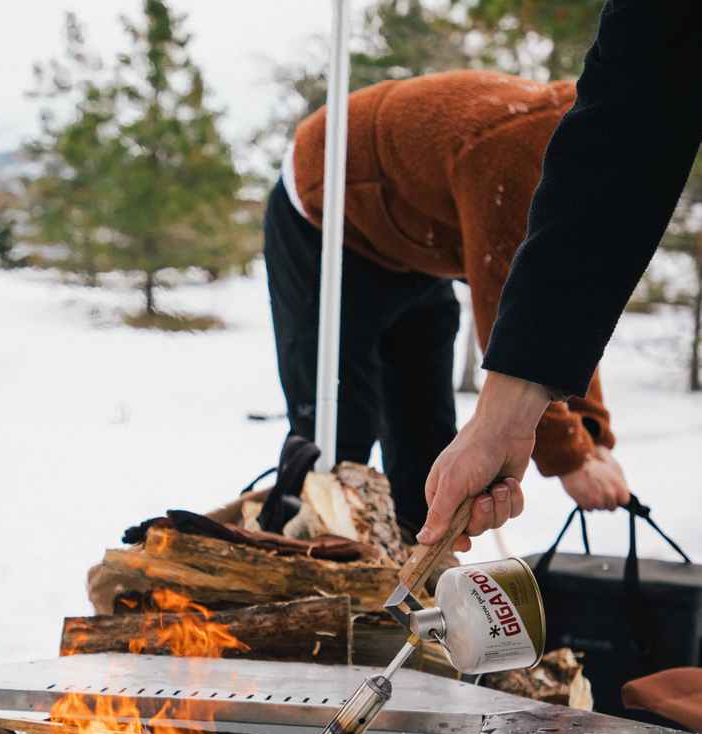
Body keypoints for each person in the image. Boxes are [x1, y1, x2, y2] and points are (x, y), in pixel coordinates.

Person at [266, 69, 630, 534]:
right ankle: (307, 575)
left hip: (416, 233)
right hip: (329, 213)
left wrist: (592, 433)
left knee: (428, 440)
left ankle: (412, 583)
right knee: (339, 433)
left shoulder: (599, 166)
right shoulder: (520, 153)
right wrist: (568, 457)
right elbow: (519, 321)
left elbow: (563, 304)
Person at [420, 0, 702, 551]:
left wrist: (588, 439)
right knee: (403, 423)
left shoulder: (539, 154)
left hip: (431, 243)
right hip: (332, 222)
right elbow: (619, 148)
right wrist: (529, 434)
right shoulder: (511, 156)